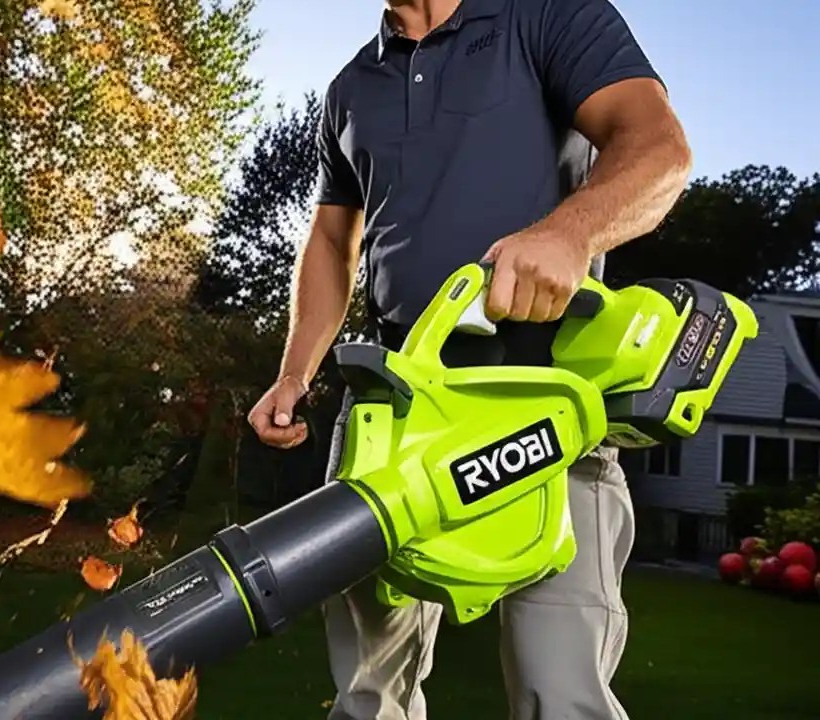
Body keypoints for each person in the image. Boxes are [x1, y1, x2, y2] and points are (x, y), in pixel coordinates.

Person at [245, 1, 692, 719]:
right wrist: (295, 372)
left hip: (543, 405)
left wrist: (568, 235)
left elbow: (658, 148)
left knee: (562, 692)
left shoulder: (546, 14)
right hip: (393, 416)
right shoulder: (351, 87)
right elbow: (332, 242)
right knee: (367, 695)